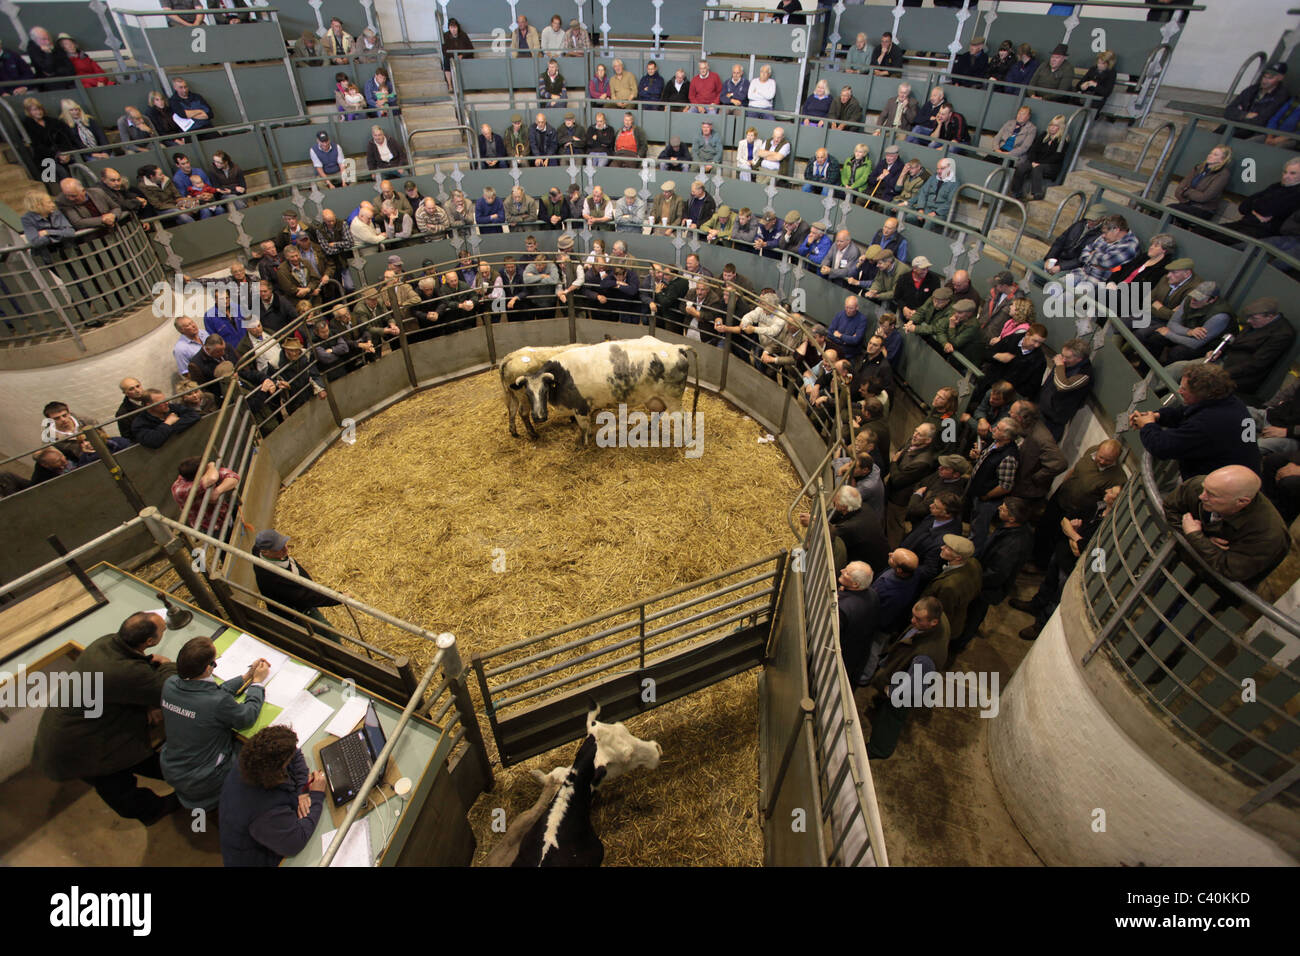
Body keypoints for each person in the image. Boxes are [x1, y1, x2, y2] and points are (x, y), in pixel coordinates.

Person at [33, 611, 180, 823]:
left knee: (144, 761)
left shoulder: (105, 643)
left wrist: (147, 664)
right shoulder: (123, 672)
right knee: (117, 786)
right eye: (163, 630)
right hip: (81, 748)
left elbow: (128, 680)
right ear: (150, 641)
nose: (165, 630)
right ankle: (152, 810)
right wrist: (166, 664)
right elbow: (169, 691)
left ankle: (179, 778)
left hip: (76, 729)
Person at [160, 636, 267, 812]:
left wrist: (246, 676)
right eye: (214, 662)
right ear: (208, 668)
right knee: (258, 748)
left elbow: (210, 693)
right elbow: (247, 717)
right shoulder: (216, 703)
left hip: (174, 768)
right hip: (205, 778)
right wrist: (257, 684)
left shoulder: (170, 684)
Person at [219, 724, 327, 866]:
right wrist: (317, 795)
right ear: (277, 771)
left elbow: (294, 754)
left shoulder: (253, 759)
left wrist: (301, 791)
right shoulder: (263, 809)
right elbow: (295, 842)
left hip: (269, 835)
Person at [1162, 466, 1290, 586]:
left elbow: (1231, 570)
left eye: (1211, 494)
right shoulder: (1201, 486)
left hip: (1211, 589)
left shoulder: (1268, 535)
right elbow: (1169, 507)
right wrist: (1201, 539)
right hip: (1176, 564)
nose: (1202, 496)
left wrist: (1196, 537)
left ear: (1241, 502)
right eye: (1204, 488)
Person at [1132, 364, 1260, 480]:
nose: (1179, 391)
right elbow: (1186, 413)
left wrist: (1148, 425)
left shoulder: (1209, 423)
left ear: (1202, 394)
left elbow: (1162, 446)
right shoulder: (1229, 402)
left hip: (1221, 489)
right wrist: (1157, 416)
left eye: (1184, 389)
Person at [251, 528, 341, 628]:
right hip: (296, 612)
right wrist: (339, 597)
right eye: (278, 548)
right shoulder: (276, 578)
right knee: (328, 633)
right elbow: (307, 597)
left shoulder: (258, 551)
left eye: (283, 543)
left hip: (298, 596)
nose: (285, 549)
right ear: (265, 552)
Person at [967, 417, 1021, 548]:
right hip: (977, 491)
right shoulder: (996, 442)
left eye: (998, 429)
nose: (993, 429)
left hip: (987, 501)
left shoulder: (1009, 457)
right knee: (973, 523)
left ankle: (971, 556)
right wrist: (978, 456)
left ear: (1007, 436)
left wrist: (987, 496)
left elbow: (1005, 486)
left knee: (978, 531)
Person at [837, 560, 879, 694]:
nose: (842, 571)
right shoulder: (872, 594)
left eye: (847, 573)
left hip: (843, 655)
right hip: (859, 652)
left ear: (855, 584)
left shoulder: (842, 609)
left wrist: (840, 598)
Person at [1040, 338, 1094, 439]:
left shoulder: (1084, 373)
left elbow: (1063, 386)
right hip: (1041, 409)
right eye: (1062, 355)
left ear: (1079, 358)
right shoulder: (1066, 363)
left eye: (1067, 357)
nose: (1063, 359)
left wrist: (1059, 366)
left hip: (1054, 421)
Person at [1009, 113, 1067, 201]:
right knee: (1021, 167)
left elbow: (1057, 157)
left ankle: (1037, 194)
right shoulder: (1044, 135)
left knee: (1038, 168)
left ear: (1060, 128)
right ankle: (1016, 192)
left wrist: (1039, 163)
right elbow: (1033, 149)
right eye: (1051, 125)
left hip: (1050, 165)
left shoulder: (1063, 141)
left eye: (1055, 126)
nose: (1052, 127)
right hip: (1035, 161)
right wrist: (1033, 161)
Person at [1168, 144, 1232, 220]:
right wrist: (1185, 198)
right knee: (1165, 211)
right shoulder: (1199, 168)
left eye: (1215, 155)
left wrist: (1187, 191)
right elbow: (1179, 190)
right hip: (1186, 204)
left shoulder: (1223, 174)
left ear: (1222, 159)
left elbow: (1204, 197)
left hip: (1203, 209)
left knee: (1171, 210)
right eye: (1210, 153)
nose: (1210, 155)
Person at [1224, 61, 1289, 132]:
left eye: (1270, 78)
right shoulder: (1252, 89)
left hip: (1253, 132)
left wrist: (1238, 116)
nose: (1265, 81)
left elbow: (1261, 121)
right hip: (1234, 127)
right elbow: (1228, 111)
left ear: (1280, 78)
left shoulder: (1280, 96)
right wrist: (1245, 115)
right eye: (1264, 76)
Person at [911, 157, 959, 221]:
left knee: (929, 222)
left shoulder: (955, 183)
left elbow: (950, 203)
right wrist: (920, 208)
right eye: (938, 169)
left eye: (942, 169)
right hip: (926, 208)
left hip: (940, 213)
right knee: (910, 217)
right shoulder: (934, 177)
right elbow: (923, 192)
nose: (939, 171)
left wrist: (936, 213)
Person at [441, 17, 473, 93]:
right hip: (451, 57)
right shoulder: (445, 36)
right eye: (451, 28)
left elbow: (471, 49)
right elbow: (444, 50)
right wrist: (453, 56)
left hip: (463, 57)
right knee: (446, 62)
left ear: (458, 27)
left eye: (455, 27)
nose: (453, 29)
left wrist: (462, 55)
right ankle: (450, 85)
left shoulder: (463, 35)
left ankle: (469, 85)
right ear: (449, 28)